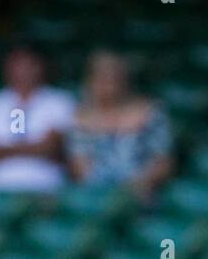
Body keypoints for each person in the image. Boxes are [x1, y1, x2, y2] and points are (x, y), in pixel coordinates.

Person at [0, 42, 76, 193]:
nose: (23, 70)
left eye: (29, 63)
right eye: (17, 63)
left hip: (45, 188)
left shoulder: (60, 101)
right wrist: (33, 147)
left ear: (41, 66)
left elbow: (51, 148)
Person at [65, 51, 173, 202]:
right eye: (101, 78)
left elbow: (163, 164)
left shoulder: (151, 113)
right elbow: (79, 166)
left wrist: (137, 184)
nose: (107, 85)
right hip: (95, 195)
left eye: (113, 78)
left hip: (140, 193)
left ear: (125, 80)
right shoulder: (80, 117)